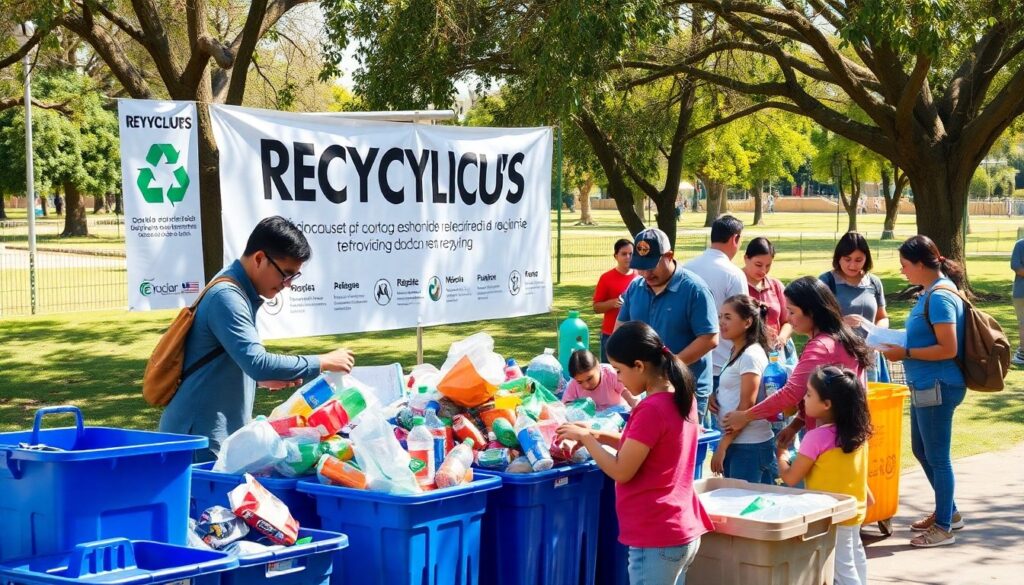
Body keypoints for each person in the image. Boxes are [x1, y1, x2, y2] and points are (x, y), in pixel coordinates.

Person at [159, 216, 356, 462]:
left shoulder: (237, 290)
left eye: (294, 277)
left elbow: (228, 360)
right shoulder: (227, 296)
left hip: (206, 433)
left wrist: (259, 380)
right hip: (200, 437)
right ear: (260, 258)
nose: (287, 285)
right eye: (286, 274)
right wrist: (323, 361)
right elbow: (258, 364)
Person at [557, 321, 713, 585]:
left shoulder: (651, 409)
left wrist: (586, 438)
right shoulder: (681, 396)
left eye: (618, 370)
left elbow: (621, 470)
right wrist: (597, 435)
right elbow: (646, 448)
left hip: (656, 535)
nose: (617, 378)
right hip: (679, 530)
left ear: (639, 365)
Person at [878, 235, 967, 547]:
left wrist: (906, 353)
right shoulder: (931, 292)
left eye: (905, 265)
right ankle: (949, 511)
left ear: (919, 263)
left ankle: (944, 526)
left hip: (938, 385)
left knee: (938, 457)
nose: (903, 272)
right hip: (927, 384)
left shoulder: (940, 297)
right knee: (922, 450)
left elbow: (947, 347)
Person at [720, 276, 871, 450]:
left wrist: (746, 416)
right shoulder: (842, 337)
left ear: (811, 312)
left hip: (830, 443)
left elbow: (791, 393)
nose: (789, 319)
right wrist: (797, 424)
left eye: (792, 312)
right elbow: (824, 393)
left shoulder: (821, 346)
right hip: (849, 436)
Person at [777, 366, 873, 585]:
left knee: (842, 570)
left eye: (809, 394)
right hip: (854, 510)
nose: (804, 399)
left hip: (833, 517)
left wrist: (781, 455)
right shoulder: (858, 432)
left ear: (827, 404)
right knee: (854, 559)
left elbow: (791, 478)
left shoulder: (816, 437)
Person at [617, 228, 719, 423]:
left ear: (669, 256)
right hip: (651, 387)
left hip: (688, 389)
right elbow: (621, 330)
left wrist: (668, 369)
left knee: (685, 449)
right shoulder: (635, 288)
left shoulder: (694, 289)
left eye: (651, 266)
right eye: (641, 267)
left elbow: (709, 338)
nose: (646, 273)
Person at [710, 295, 776, 484]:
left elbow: (747, 405)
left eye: (728, 317)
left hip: (749, 445)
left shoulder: (750, 355)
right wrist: (718, 395)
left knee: (745, 508)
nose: (721, 322)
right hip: (739, 443)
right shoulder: (737, 350)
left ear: (747, 322)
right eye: (721, 316)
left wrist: (723, 446)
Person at [685, 215, 747, 410]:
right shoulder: (733, 273)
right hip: (723, 363)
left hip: (689, 358)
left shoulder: (686, 269)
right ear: (734, 239)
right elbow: (744, 321)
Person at [820, 232, 889, 380]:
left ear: (866, 259)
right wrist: (841, 322)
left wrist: (876, 333)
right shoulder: (826, 282)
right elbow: (814, 319)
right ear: (838, 258)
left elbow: (883, 317)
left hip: (869, 356)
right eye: (847, 259)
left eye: (859, 260)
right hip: (836, 358)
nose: (852, 265)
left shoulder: (874, 282)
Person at [743, 237, 792, 350]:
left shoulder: (776, 285)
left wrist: (782, 337)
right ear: (746, 258)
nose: (763, 270)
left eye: (768, 265)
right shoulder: (737, 283)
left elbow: (788, 321)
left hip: (775, 351)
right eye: (758, 265)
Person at [593, 239, 638, 362]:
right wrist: (612, 303)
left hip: (635, 335)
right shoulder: (606, 278)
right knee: (609, 373)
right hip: (610, 334)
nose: (628, 257)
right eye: (624, 254)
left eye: (631, 254)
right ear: (616, 256)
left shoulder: (640, 277)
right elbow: (596, 307)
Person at [562, 349, 637, 410]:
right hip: (590, 420)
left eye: (589, 379)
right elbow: (566, 403)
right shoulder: (574, 383)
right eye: (580, 382)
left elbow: (624, 391)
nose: (586, 385)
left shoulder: (611, 374)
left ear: (598, 366)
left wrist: (634, 403)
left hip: (616, 415)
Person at [1011, 236, 1024, 366]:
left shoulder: (1020, 244)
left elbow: (1016, 266)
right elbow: (1017, 267)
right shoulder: (1020, 244)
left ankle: (1022, 355)